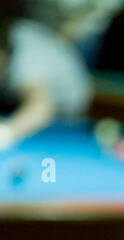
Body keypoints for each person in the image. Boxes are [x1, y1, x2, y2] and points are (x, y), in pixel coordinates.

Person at [0, 8, 91, 149]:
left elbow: (41, 108)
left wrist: (5, 133)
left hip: (65, 108)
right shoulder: (6, 41)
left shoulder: (27, 58)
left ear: (4, 54)